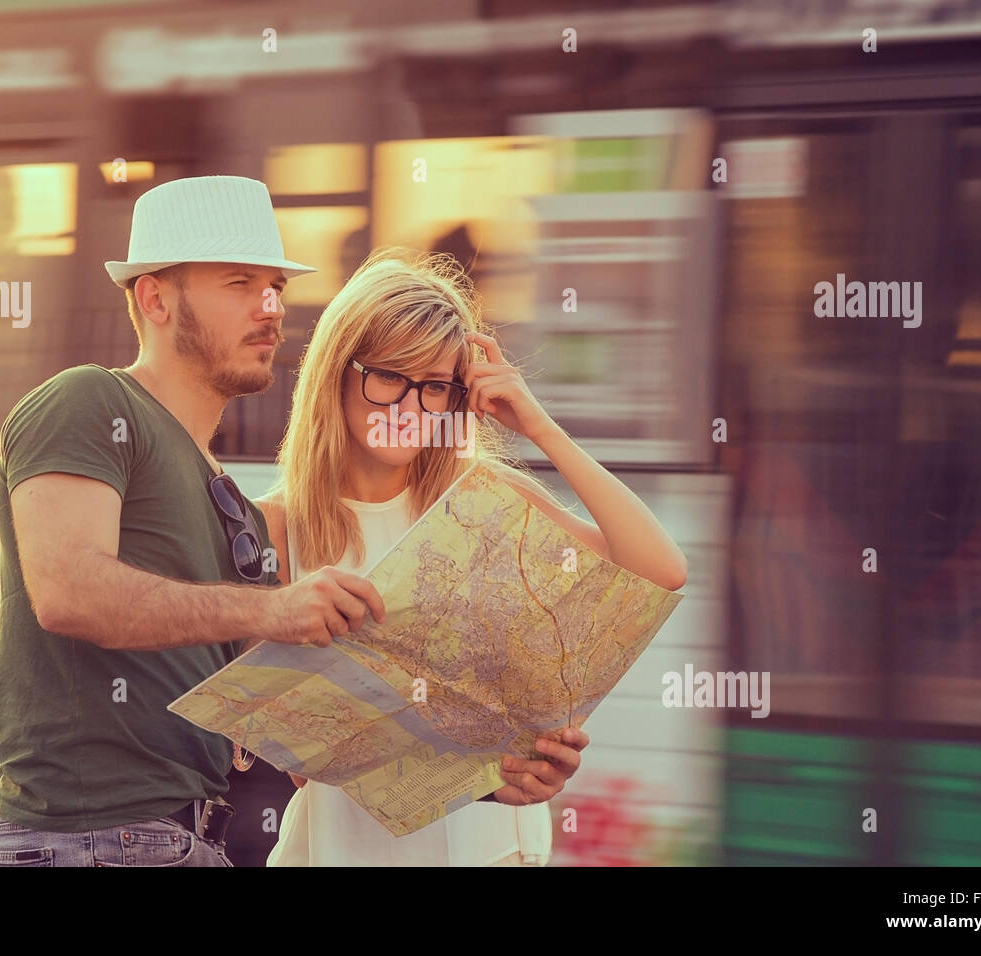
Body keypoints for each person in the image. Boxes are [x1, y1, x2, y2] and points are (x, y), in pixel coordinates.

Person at [0, 175, 388, 867]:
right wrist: (276, 611)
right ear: (155, 297)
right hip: (93, 842)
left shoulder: (232, 504)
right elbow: (68, 592)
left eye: (276, 288)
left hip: (191, 842)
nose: (269, 309)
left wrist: (501, 774)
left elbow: (292, 745)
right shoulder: (88, 403)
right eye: (239, 283)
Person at [256, 248, 688, 866]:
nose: (410, 409)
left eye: (435, 387)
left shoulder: (483, 497)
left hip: (491, 850)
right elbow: (292, 750)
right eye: (388, 377)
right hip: (348, 850)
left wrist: (538, 426)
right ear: (336, 375)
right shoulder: (274, 526)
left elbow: (660, 570)